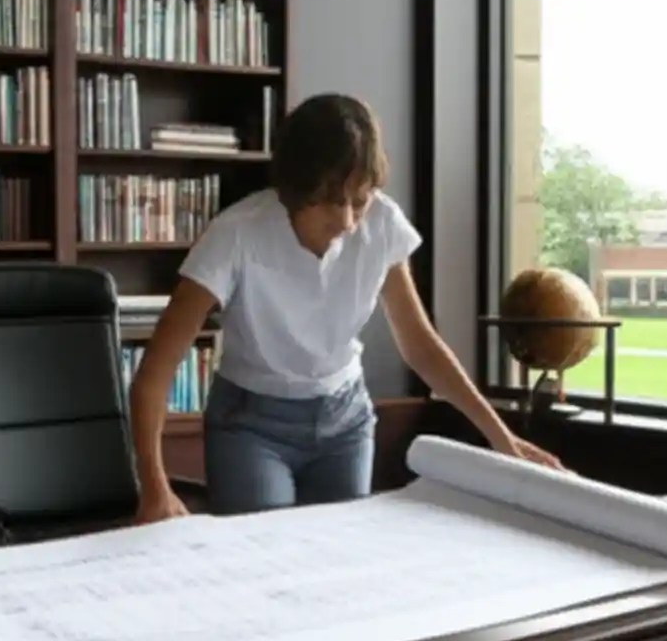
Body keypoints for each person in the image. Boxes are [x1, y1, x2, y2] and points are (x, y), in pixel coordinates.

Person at [128, 93, 562, 523]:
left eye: (361, 199)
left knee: (337, 556)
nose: (348, 221)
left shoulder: (383, 225)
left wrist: (502, 439)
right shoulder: (236, 234)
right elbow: (155, 372)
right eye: (332, 201)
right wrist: (155, 487)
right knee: (266, 553)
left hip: (345, 420)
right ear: (293, 192)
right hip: (251, 424)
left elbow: (421, 347)